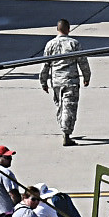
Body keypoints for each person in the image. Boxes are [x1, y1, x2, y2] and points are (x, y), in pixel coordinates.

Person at [39, 19, 90, 147]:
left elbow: (45, 64)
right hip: (70, 80)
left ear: (57, 29)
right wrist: (86, 76)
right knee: (69, 107)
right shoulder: (74, 44)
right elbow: (82, 61)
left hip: (56, 81)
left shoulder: (50, 44)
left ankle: (64, 129)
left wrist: (43, 81)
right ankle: (66, 134)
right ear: (68, 29)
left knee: (61, 107)